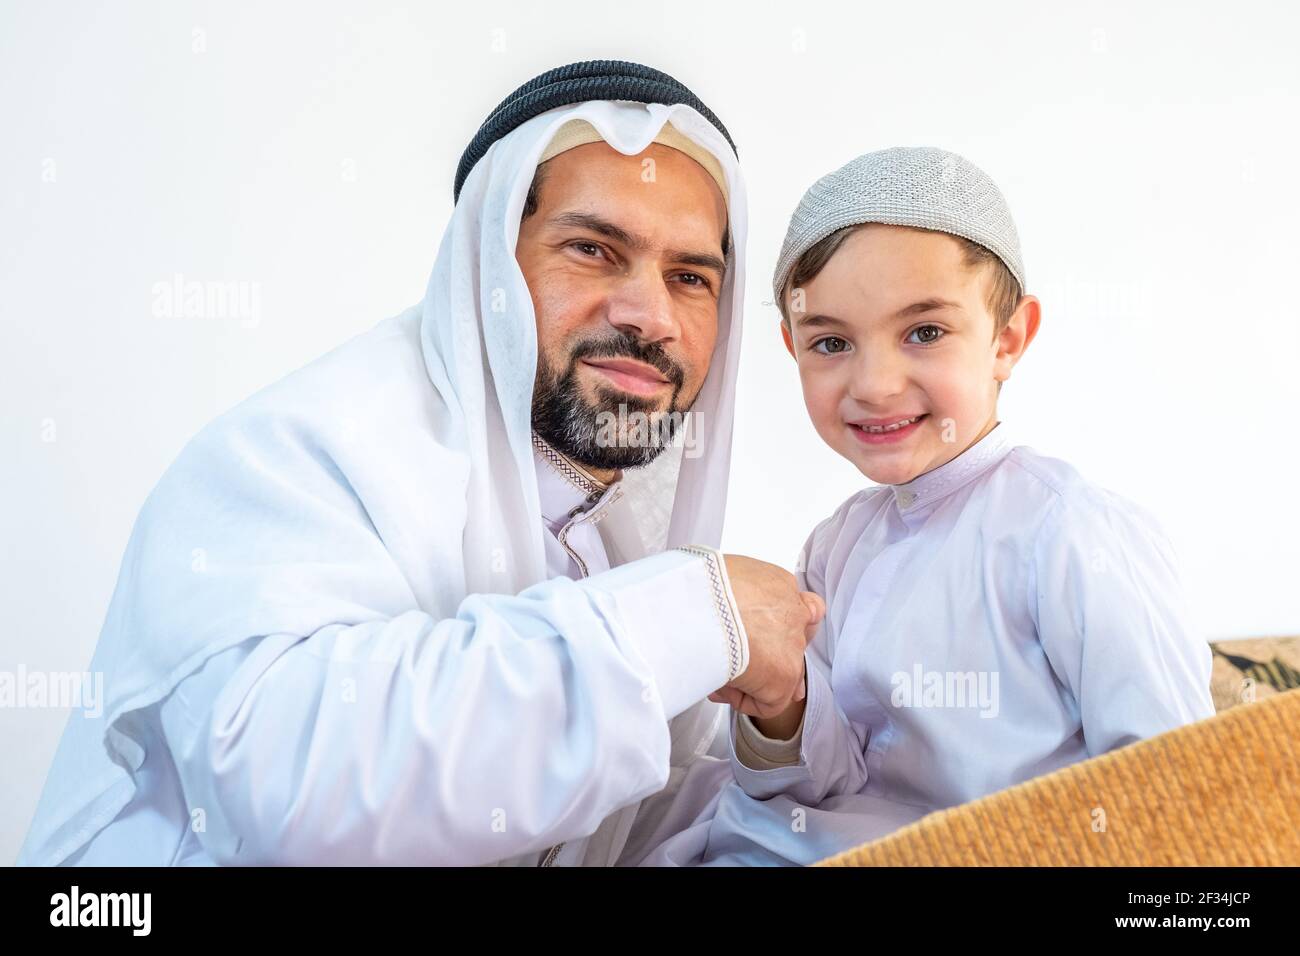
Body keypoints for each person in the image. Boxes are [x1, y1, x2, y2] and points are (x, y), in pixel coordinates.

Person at [17, 60, 821, 867]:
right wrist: (692, 618)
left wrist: (784, 742)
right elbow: (290, 786)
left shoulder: (613, 545)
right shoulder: (287, 456)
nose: (650, 317)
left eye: (689, 278)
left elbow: (619, 835)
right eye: (592, 250)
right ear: (485, 274)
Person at [640, 146, 1215, 866]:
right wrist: (781, 702)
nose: (875, 383)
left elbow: (1176, 776)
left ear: (1008, 338)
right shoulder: (837, 544)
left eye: (925, 332)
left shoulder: (1068, 530)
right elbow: (822, 782)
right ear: (792, 348)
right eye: (832, 342)